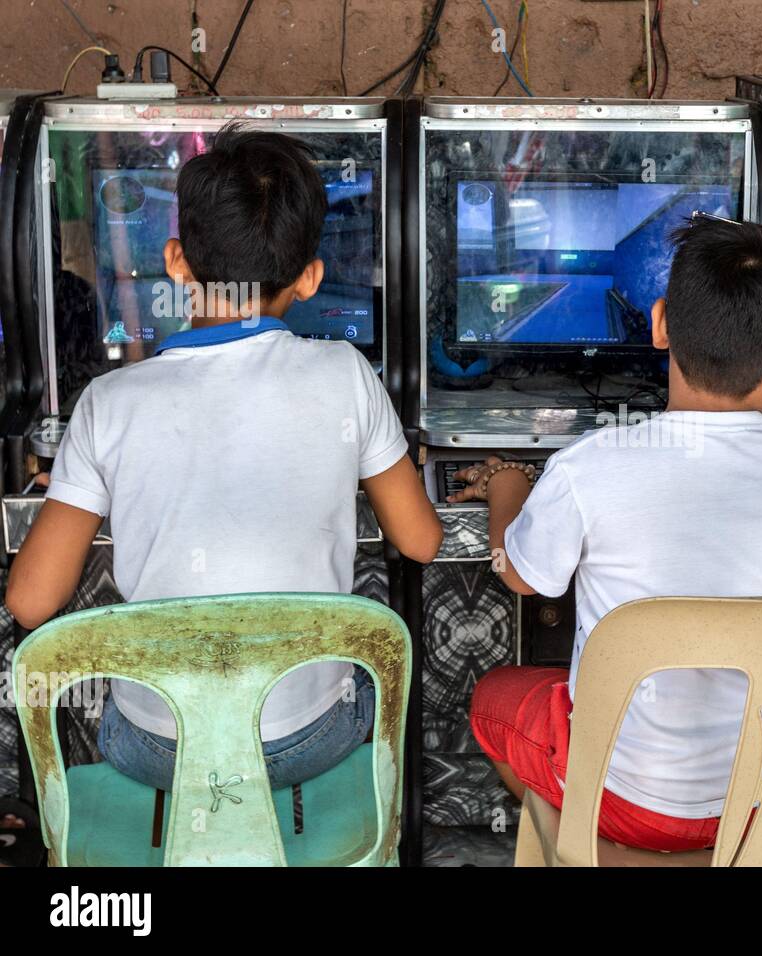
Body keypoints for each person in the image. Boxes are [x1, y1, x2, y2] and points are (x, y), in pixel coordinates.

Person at [5, 125, 443, 790]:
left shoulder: (105, 402)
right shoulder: (346, 374)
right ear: (309, 278)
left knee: (123, 716)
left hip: (160, 751)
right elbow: (420, 540)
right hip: (309, 741)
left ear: (176, 261)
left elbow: (32, 603)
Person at [457, 215, 762, 850]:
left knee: (494, 699)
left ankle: (592, 846)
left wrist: (506, 484)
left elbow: (522, 577)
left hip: (629, 796)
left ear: (660, 323)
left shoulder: (589, 467)